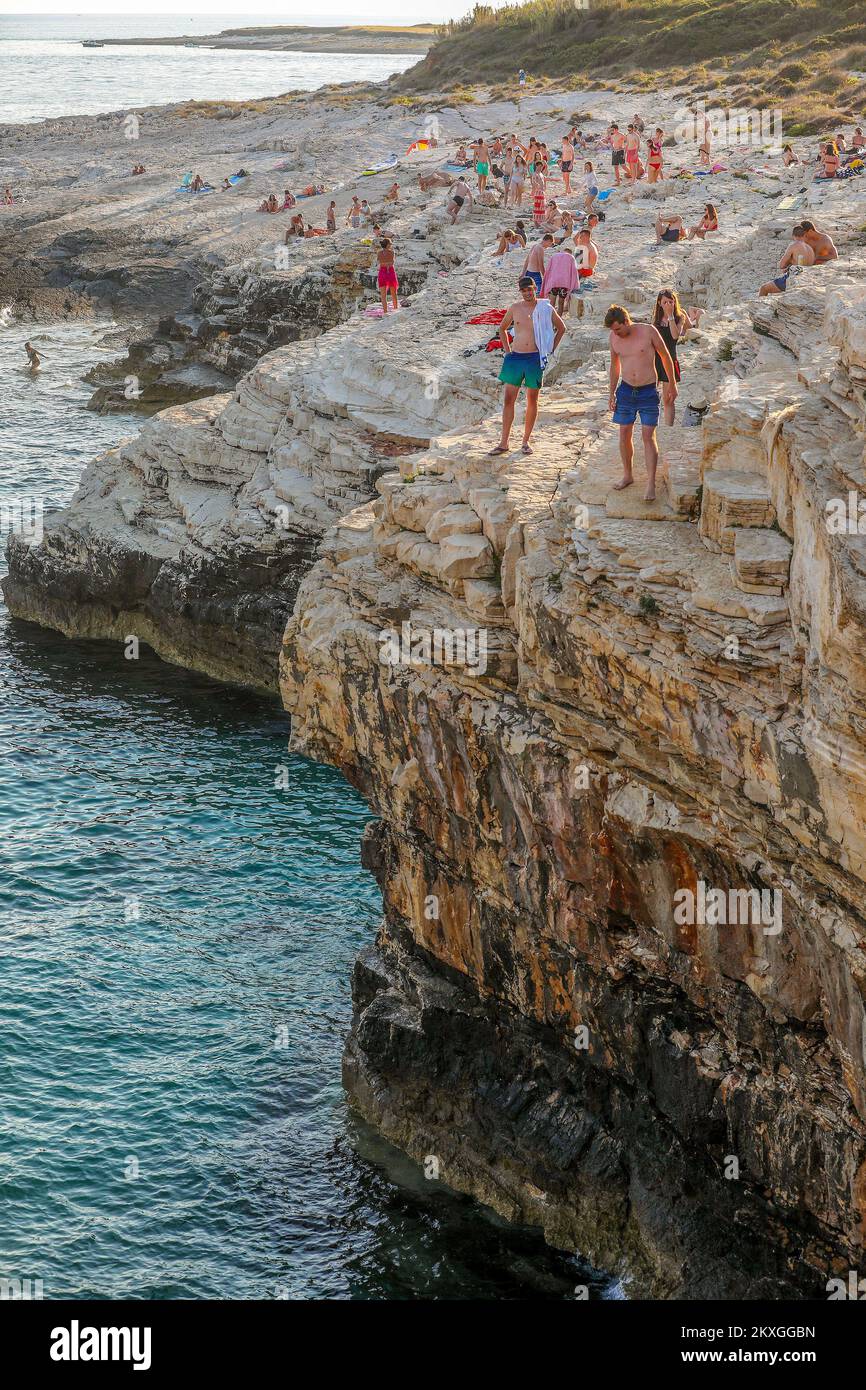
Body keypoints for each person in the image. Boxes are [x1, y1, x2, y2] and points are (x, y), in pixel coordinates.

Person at [604, 304, 676, 502]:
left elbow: (666, 356)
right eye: (613, 330)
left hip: (648, 390)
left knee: (648, 435)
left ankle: (651, 483)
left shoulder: (648, 331)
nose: (616, 333)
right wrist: (611, 393)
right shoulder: (613, 338)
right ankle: (628, 475)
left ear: (627, 322)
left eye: (618, 329)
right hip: (626, 390)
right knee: (624, 433)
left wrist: (671, 385)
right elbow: (614, 366)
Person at [491, 275, 565, 456]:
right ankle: (503, 442)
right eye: (523, 291)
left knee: (533, 400)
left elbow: (561, 328)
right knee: (509, 399)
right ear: (520, 292)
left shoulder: (545, 307)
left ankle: (525, 441)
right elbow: (502, 328)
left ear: (535, 288)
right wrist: (507, 351)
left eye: (529, 289)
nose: (527, 293)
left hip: (534, 358)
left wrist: (550, 349)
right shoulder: (515, 308)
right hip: (515, 357)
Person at [652, 289, 688, 425]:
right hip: (655, 359)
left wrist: (671, 316)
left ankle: (668, 427)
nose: (668, 304)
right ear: (659, 303)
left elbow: (675, 336)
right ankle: (653, 423)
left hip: (670, 358)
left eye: (670, 302)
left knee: (669, 398)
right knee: (652, 395)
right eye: (665, 302)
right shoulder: (655, 319)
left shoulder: (680, 317)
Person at [758, 224, 815, 294]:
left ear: (793, 236)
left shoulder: (793, 246)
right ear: (804, 235)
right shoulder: (810, 248)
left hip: (795, 276)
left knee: (764, 288)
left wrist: (789, 264)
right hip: (807, 277)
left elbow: (781, 265)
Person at [542, 244, 580, 316]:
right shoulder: (571, 258)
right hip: (564, 285)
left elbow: (548, 270)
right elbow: (574, 272)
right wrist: (575, 285)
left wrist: (546, 281)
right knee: (561, 303)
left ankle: (551, 321)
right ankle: (558, 320)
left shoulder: (554, 256)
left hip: (553, 283)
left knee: (551, 303)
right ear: (570, 253)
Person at [377, 237, 399, 314]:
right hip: (390, 271)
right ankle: (396, 309)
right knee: (393, 292)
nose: (391, 245)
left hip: (382, 271)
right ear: (387, 245)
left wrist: (384, 264)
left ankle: (385, 311)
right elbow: (392, 262)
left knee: (383, 294)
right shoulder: (392, 252)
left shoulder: (379, 253)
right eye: (390, 243)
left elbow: (380, 263)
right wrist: (388, 264)